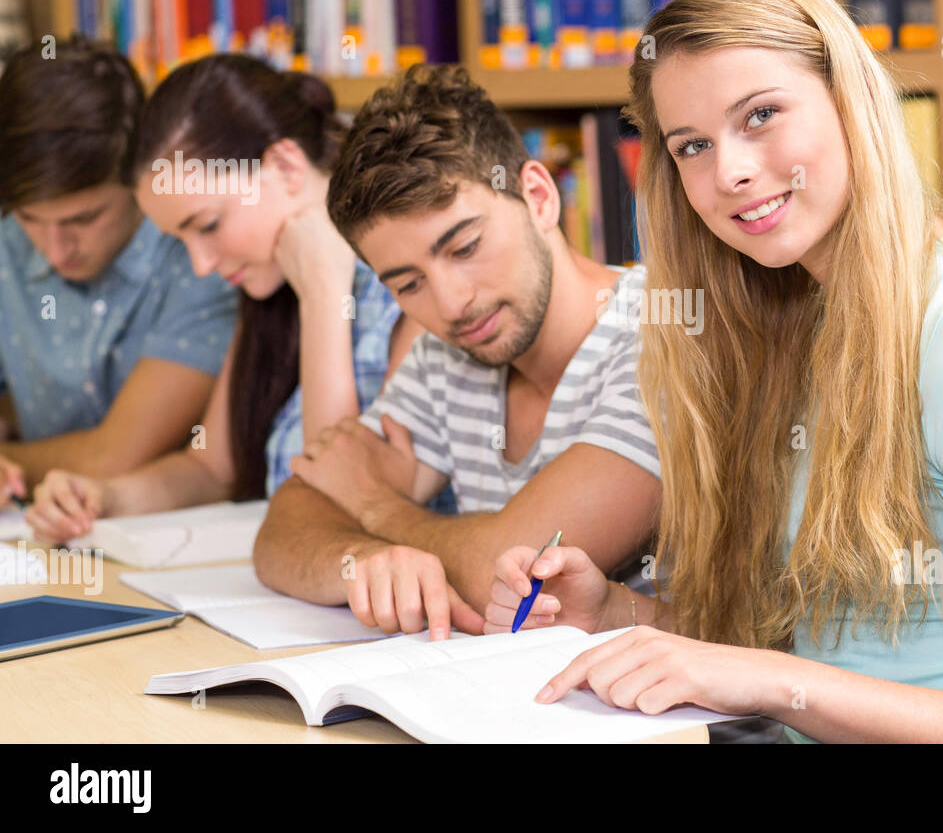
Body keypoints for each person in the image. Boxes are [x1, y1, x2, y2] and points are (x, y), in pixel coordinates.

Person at [483, 0, 943, 743]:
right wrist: (614, 613)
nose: (733, 172)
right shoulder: (794, 319)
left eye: (760, 115)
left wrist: (773, 683)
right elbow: (822, 647)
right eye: (691, 147)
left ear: (848, 99)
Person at [252, 64, 662, 640]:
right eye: (408, 283)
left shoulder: (663, 337)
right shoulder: (445, 357)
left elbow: (515, 567)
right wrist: (362, 562)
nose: (451, 305)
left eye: (465, 246)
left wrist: (374, 508)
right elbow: (287, 522)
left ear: (540, 198)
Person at [24, 54, 448, 541]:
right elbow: (211, 469)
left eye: (207, 225)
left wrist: (325, 298)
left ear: (286, 166)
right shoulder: (269, 284)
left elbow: (345, 506)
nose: (202, 265)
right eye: (182, 242)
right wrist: (104, 497)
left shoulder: (412, 283)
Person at [0, 36, 236, 501]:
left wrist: (12, 461)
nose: (54, 249)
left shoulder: (200, 254)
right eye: (30, 219)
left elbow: (115, 458)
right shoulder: (7, 239)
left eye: (84, 219)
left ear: (139, 179)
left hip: (166, 537)